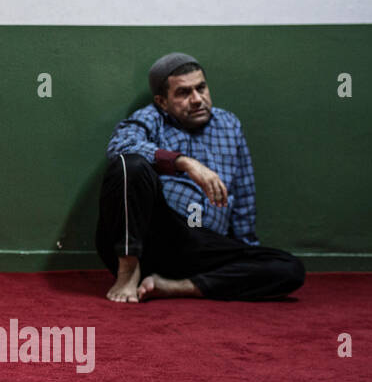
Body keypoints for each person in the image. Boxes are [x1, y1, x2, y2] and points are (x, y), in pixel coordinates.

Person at [96, 52, 305, 304]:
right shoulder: (151, 118)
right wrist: (183, 162)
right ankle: (128, 270)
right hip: (155, 238)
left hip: (202, 247)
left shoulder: (229, 124)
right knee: (129, 164)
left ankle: (175, 287)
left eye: (201, 88)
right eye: (183, 93)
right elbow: (120, 146)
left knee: (289, 268)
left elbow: (244, 195)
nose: (197, 99)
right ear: (162, 102)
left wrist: (247, 252)